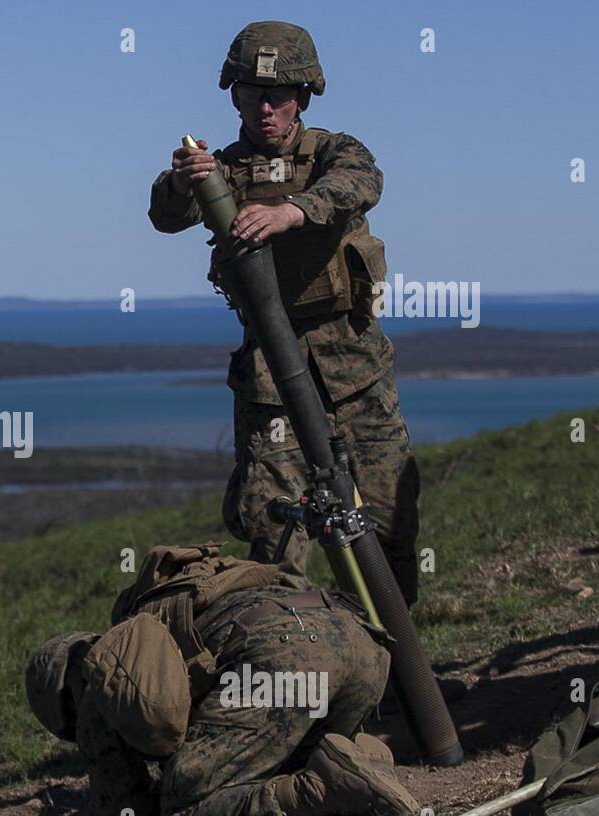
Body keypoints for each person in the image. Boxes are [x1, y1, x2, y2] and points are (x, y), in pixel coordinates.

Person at [147, 21, 421, 607]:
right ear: (234, 95)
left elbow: (361, 182)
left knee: (388, 520)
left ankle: (401, 668)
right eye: (250, 94)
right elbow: (165, 217)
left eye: (277, 94)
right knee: (273, 535)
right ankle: (293, 661)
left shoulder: (333, 153)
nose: (264, 107)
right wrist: (180, 181)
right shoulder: (221, 171)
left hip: (355, 374)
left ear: (304, 95)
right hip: (270, 379)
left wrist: (293, 211)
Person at [26, 545, 418, 816]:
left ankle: (316, 789)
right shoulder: (169, 608)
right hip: (360, 644)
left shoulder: (101, 676)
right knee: (266, 767)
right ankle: (359, 759)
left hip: (285, 661)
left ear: (66, 703)